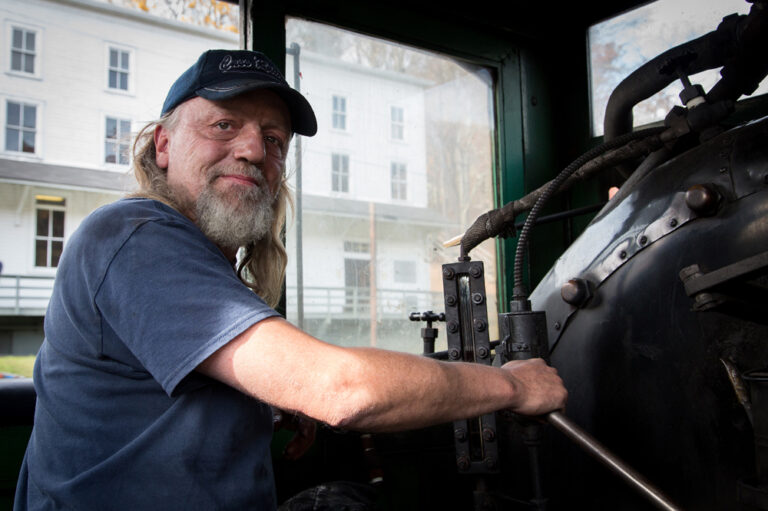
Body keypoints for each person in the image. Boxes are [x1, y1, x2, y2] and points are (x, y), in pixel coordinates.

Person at [14, 49, 567, 510]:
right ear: (163, 145)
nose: (255, 149)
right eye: (224, 125)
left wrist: (273, 401)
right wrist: (512, 385)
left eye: (273, 139)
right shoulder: (134, 238)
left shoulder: (196, 256)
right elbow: (342, 390)